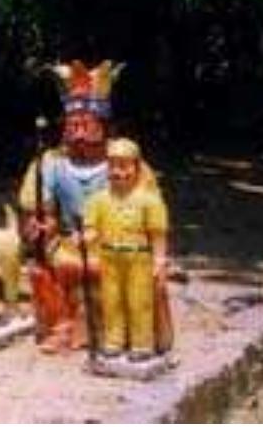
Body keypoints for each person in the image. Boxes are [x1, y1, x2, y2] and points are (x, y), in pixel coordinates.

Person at [18, 60, 153, 352]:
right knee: (47, 267)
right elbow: (40, 213)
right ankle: (62, 324)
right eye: (72, 125)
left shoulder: (123, 161)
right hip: (68, 243)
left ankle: (113, 327)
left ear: (103, 125)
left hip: (115, 241)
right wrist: (40, 227)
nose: (78, 132)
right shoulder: (50, 163)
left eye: (85, 124)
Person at [83, 137, 172, 361]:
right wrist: (85, 238)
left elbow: (158, 234)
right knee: (111, 301)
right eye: (113, 166)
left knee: (139, 301)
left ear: (137, 167)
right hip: (109, 257)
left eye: (124, 166)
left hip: (138, 258)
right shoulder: (98, 200)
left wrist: (159, 260)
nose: (118, 172)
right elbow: (91, 228)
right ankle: (114, 340)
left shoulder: (149, 201)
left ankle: (141, 343)